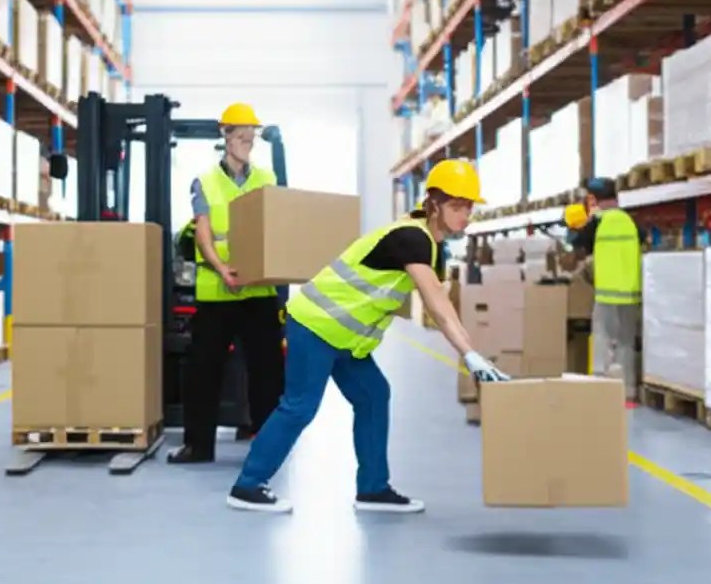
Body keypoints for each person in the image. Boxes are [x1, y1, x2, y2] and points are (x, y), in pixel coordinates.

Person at [225, 159, 509, 513]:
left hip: (345, 338)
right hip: (317, 326)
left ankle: (373, 489)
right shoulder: (412, 238)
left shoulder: (426, 243)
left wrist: (469, 352)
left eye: (469, 207)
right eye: (456, 206)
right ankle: (248, 486)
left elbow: (437, 301)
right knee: (300, 406)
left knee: (374, 395)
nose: (465, 215)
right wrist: (470, 355)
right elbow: (438, 305)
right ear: (433, 204)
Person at [168, 103, 287, 464]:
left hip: (258, 291)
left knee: (267, 372)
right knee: (204, 371)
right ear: (226, 137)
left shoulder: (267, 179)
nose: (247, 143)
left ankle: (267, 446)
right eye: (241, 137)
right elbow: (203, 231)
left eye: (251, 139)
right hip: (217, 291)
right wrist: (221, 268)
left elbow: (277, 225)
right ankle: (198, 446)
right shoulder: (204, 181)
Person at [569, 178, 645, 400]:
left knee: (602, 340)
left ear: (593, 199)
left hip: (606, 296)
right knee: (626, 344)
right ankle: (628, 392)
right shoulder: (629, 221)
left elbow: (576, 242)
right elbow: (643, 239)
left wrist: (586, 216)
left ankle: (600, 393)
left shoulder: (598, 222)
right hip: (631, 295)